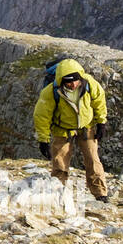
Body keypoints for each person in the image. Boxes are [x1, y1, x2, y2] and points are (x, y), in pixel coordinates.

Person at [33, 57, 110, 202]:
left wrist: (101, 123)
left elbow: (99, 101)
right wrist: (43, 140)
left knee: (93, 160)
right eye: (68, 82)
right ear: (62, 80)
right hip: (62, 130)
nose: (73, 84)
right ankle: (57, 194)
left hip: (86, 127)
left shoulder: (89, 83)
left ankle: (100, 194)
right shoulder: (51, 91)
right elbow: (41, 116)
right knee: (60, 162)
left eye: (76, 80)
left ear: (80, 77)